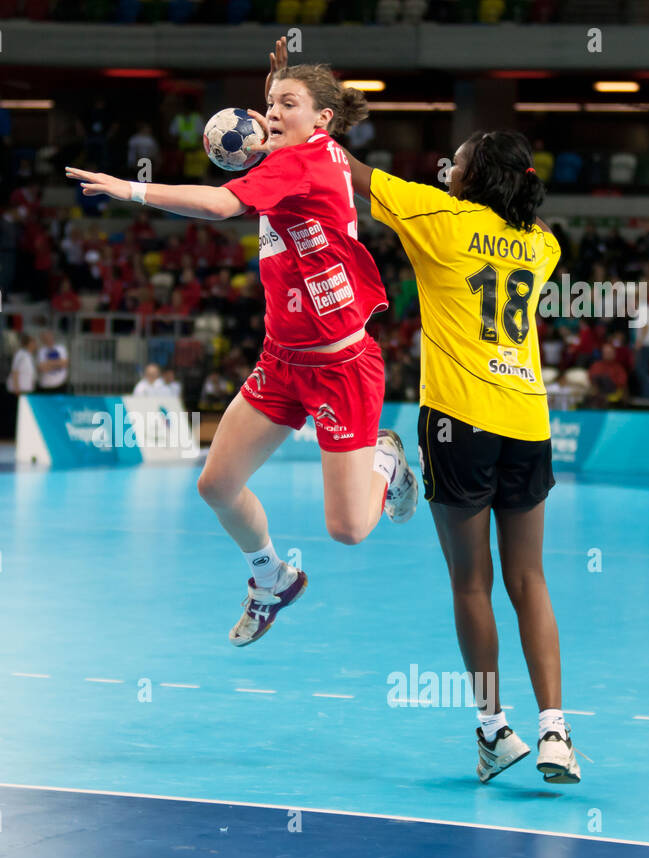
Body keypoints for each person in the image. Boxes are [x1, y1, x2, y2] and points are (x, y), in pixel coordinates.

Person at [67, 55, 417, 651]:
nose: (272, 114)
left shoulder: (305, 163)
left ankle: (385, 459)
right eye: (270, 104)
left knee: (350, 529)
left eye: (287, 106)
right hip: (282, 360)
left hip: (341, 366)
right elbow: (286, 130)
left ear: (323, 120)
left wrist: (130, 188)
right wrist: (279, 91)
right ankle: (271, 579)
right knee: (216, 484)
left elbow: (220, 206)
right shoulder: (296, 150)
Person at [329, 67, 578, 783]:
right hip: (527, 419)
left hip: (459, 424)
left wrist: (294, 107)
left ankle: (493, 730)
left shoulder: (439, 218)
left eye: (457, 159)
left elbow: (343, 169)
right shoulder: (543, 245)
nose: (447, 165)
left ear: (475, 176)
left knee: (472, 584)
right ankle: (556, 733)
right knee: (530, 578)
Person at [36, 328, 70, 393]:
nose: (48, 339)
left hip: (60, 385)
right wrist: (58, 363)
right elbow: (42, 368)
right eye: (45, 338)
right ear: (42, 339)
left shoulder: (61, 348)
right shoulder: (41, 351)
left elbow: (65, 364)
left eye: (49, 337)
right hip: (45, 386)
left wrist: (48, 363)